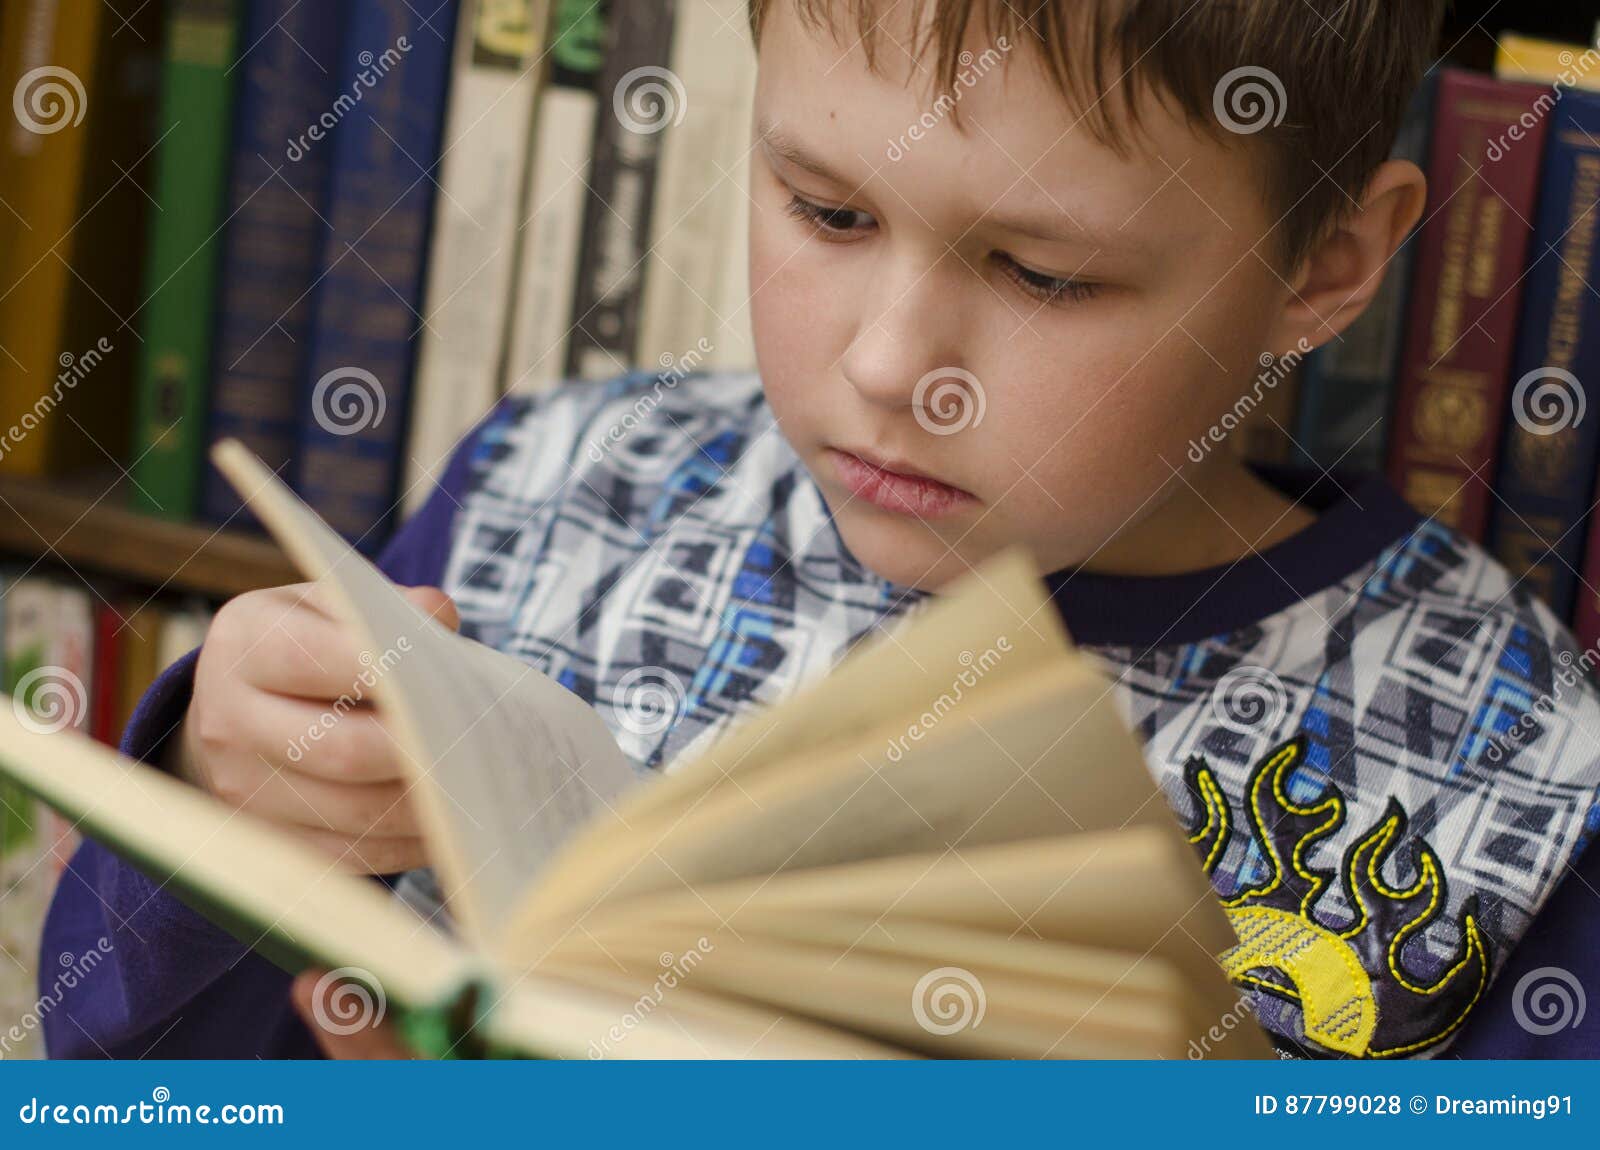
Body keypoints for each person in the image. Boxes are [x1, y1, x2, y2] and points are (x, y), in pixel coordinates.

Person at [43, 0, 1600, 1060]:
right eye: (828, 211)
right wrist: (221, 802)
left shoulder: (1508, 753)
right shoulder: (550, 498)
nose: (883, 366)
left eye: (1046, 274)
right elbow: (121, 1071)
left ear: (1329, 264)